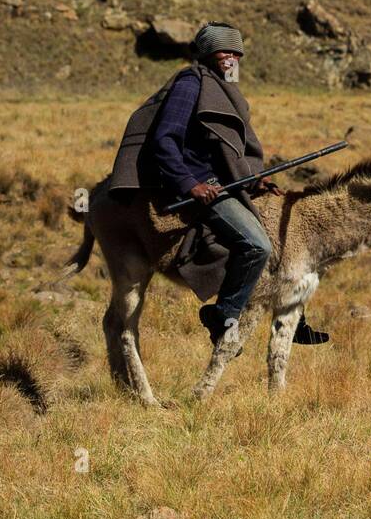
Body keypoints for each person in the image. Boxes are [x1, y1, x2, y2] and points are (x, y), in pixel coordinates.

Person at [112, 21, 328, 347]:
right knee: (258, 244)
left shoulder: (226, 89)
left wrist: (256, 178)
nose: (231, 58)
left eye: (236, 53)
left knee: (285, 236)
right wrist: (190, 184)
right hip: (203, 186)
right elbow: (165, 140)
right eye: (224, 51)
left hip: (227, 182)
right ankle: (222, 316)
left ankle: (293, 320)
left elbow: (228, 149)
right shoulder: (191, 84)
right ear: (209, 53)